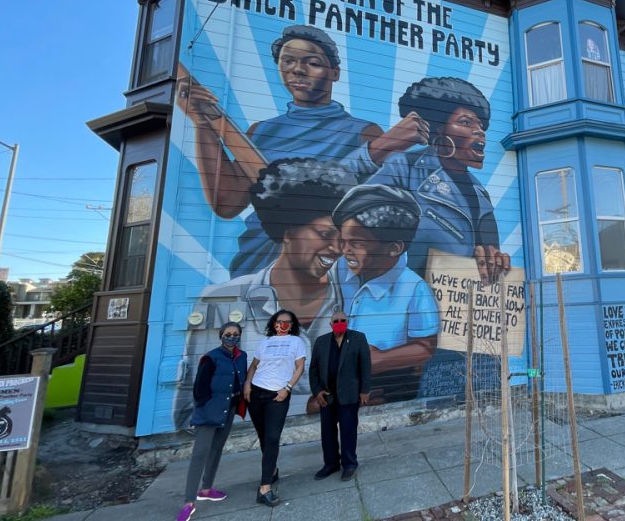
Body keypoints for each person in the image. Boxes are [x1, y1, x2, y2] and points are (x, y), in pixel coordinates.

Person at [175, 24, 429, 277]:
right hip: (258, 264)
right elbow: (226, 205)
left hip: (326, 269)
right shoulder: (261, 131)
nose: (297, 69)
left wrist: (378, 148)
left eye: (312, 62)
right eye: (288, 61)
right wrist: (202, 125)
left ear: (335, 73)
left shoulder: (363, 133)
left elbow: (371, 212)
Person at [173, 159, 357, 428]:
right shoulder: (223, 300)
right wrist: (302, 406)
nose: (337, 248)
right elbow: (189, 411)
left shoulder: (352, 301)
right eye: (325, 234)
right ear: (287, 231)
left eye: (343, 239)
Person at [365, 77, 510, 284]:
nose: (480, 131)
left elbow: (489, 255)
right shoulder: (405, 167)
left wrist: (495, 261)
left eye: (481, 124)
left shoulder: (480, 194)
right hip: (409, 293)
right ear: (438, 131)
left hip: (459, 298)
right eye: (466, 122)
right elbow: (357, 214)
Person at [332, 184, 439, 403]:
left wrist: (379, 359)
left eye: (356, 244)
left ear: (394, 248)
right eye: (343, 242)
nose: (345, 251)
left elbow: (425, 347)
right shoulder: (340, 271)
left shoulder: (413, 288)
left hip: (385, 385)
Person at [175, 322, 247, 521]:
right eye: (228, 333)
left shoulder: (242, 356)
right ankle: (189, 502)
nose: (231, 337)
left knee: (216, 449)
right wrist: (205, 408)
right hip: (210, 411)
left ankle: (206, 489)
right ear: (221, 336)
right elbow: (200, 388)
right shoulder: (211, 358)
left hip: (229, 409)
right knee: (200, 454)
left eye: (235, 333)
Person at [244, 309, 307, 506]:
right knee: (264, 436)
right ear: (273, 323)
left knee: (272, 437)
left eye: (287, 322)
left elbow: (300, 367)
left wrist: (287, 388)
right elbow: (254, 365)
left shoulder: (296, 342)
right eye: (279, 321)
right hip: (256, 393)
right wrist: (247, 384)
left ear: (292, 325)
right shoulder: (265, 341)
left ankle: (265, 488)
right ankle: (271, 470)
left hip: (278, 395)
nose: (283, 325)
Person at [310, 310, 371, 482]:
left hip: (349, 394)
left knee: (348, 430)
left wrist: (365, 390)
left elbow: (365, 365)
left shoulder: (358, 338)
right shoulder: (321, 341)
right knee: (327, 432)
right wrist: (317, 391)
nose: (339, 323)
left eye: (343, 320)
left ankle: (349, 464)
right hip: (327, 396)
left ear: (347, 322)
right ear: (330, 324)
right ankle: (331, 464)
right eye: (336, 321)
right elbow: (313, 369)